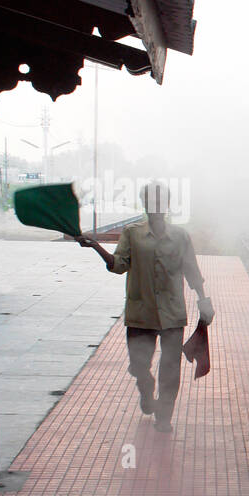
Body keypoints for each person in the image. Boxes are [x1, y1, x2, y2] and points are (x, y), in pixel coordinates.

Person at [79, 182, 214, 432]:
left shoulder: (180, 236)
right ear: (144, 204)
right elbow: (118, 266)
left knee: (171, 367)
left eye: (160, 200)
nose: (155, 205)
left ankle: (164, 416)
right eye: (150, 200)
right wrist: (95, 246)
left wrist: (204, 300)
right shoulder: (132, 233)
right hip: (140, 314)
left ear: (167, 204)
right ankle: (145, 386)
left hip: (172, 314)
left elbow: (192, 271)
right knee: (139, 365)